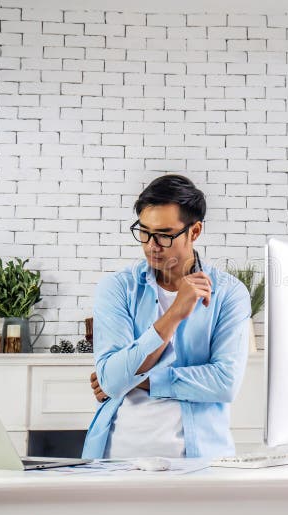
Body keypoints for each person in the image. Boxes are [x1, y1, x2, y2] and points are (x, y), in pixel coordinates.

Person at [81, 174, 251, 460]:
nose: (151, 245)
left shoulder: (229, 293)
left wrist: (136, 378)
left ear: (194, 231)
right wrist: (174, 314)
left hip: (201, 463)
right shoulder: (117, 288)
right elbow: (111, 380)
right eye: (144, 231)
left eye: (164, 234)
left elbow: (224, 382)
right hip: (116, 461)